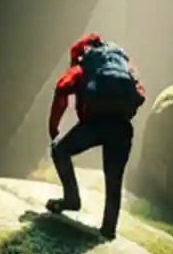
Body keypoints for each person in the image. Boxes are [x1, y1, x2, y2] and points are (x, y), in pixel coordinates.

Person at [46, 32, 146, 239]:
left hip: (94, 125)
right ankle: (108, 230)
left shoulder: (86, 62)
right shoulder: (122, 62)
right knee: (114, 179)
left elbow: (62, 86)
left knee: (60, 150)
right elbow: (140, 93)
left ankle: (71, 199)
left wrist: (53, 126)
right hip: (121, 127)